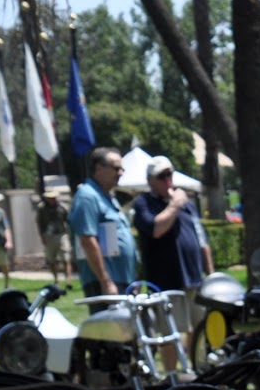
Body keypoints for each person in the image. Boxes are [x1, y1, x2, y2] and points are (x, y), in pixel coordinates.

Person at [132, 155, 213, 343]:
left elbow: (202, 240)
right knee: (171, 334)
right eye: (162, 176)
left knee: (199, 329)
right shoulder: (144, 203)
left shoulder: (189, 206)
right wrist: (175, 203)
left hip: (193, 279)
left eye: (170, 174)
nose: (168, 180)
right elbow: (156, 229)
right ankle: (171, 373)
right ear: (150, 181)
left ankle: (195, 368)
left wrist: (211, 275)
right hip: (166, 282)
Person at [70, 146, 138, 297]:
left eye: (122, 169)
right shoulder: (87, 196)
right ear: (99, 168)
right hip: (105, 283)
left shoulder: (107, 197)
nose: (120, 173)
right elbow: (88, 241)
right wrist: (106, 282)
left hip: (122, 280)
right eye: (116, 168)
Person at [36, 191, 70, 283]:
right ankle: (56, 280)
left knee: (65, 258)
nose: (52, 200)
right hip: (49, 236)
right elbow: (40, 224)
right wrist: (42, 237)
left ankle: (68, 281)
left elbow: (69, 220)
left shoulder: (63, 207)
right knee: (51, 260)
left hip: (62, 234)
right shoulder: (41, 208)